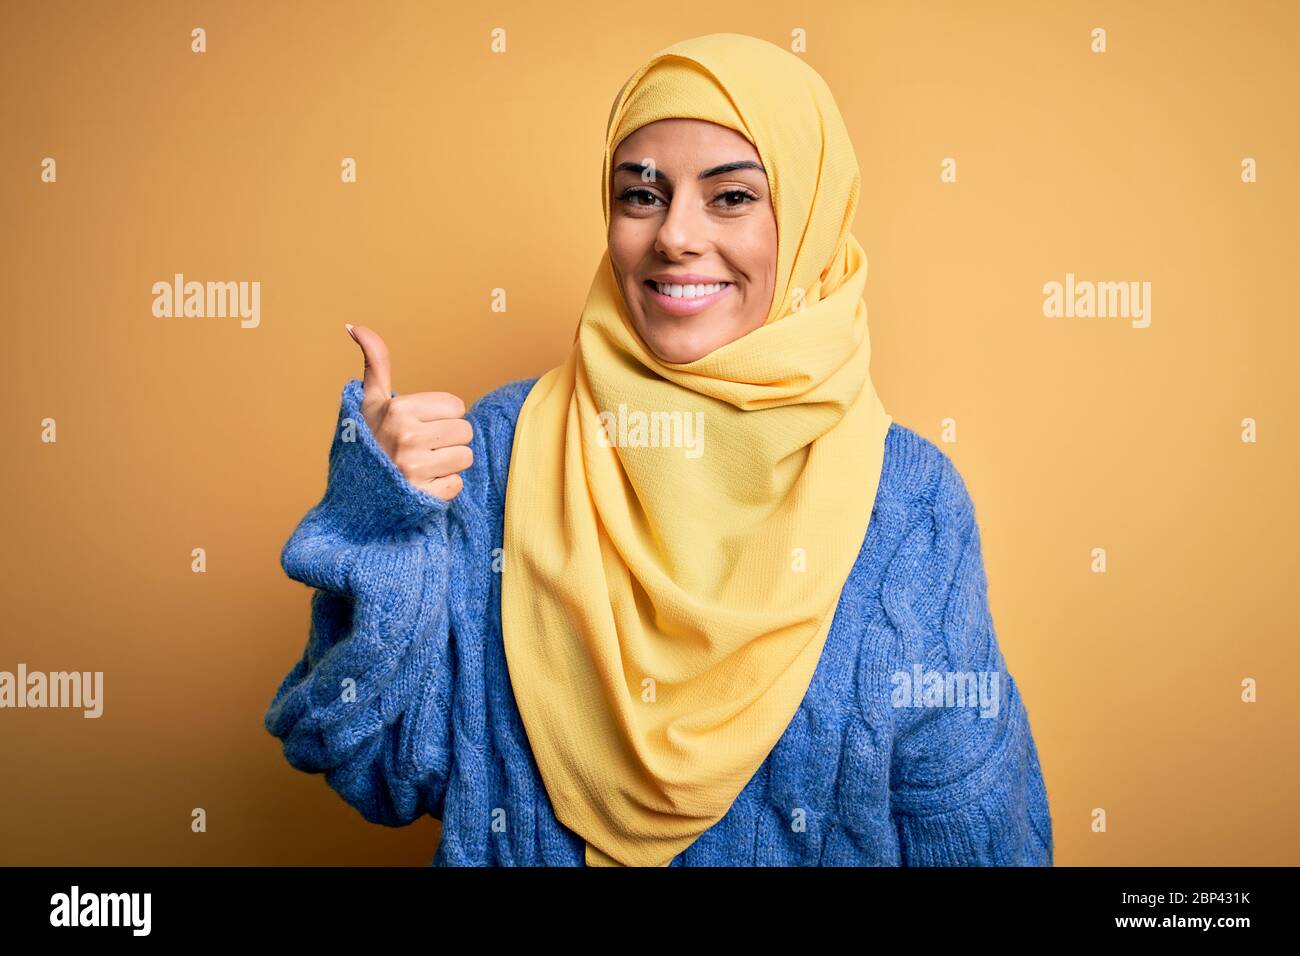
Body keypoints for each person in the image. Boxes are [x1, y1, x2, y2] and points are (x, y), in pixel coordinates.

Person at [264, 32, 1054, 867]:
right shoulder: (500, 450)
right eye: (640, 195)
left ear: (812, 218)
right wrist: (379, 521)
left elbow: (974, 832)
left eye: (732, 198)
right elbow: (377, 769)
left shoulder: (908, 504)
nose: (674, 235)